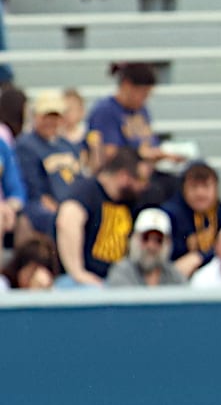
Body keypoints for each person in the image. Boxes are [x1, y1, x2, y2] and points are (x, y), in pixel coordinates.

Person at [55, 147, 144, 287]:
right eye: (140, 180)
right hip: (84, 282)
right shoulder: (87, 191)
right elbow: (67, 220)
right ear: (124, 177)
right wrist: (77, 272)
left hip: (118, 279)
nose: (144, 186)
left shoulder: (131, 201)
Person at [14, 88, 84, 244]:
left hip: (70, 202)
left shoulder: (68, 145)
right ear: (36, 116)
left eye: (56, 116)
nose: (51, 121)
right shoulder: (26, 145)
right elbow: (32, 184)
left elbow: (79, 179)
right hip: (40, 204)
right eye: (47, 116)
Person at [86, 62, 185, 172]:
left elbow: (150, 142)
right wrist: (141, 154)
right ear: (127, 86)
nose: (144, 99)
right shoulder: (105, 111)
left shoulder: (141, 110)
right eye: (143, 94)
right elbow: (108, 151)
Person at [161, 161, 221, 279]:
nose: (200, 193)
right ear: (183, 189)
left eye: (206, 186)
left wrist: (199, 257)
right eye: (194, 187)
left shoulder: (220, 211)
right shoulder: (170, 214)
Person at [105, 207, 186, 288]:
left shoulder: (174, 276)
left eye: (158, 240)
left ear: (167, 243)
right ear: (134, 239)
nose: (151, 246)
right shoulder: (121, 272)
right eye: (145, 238)